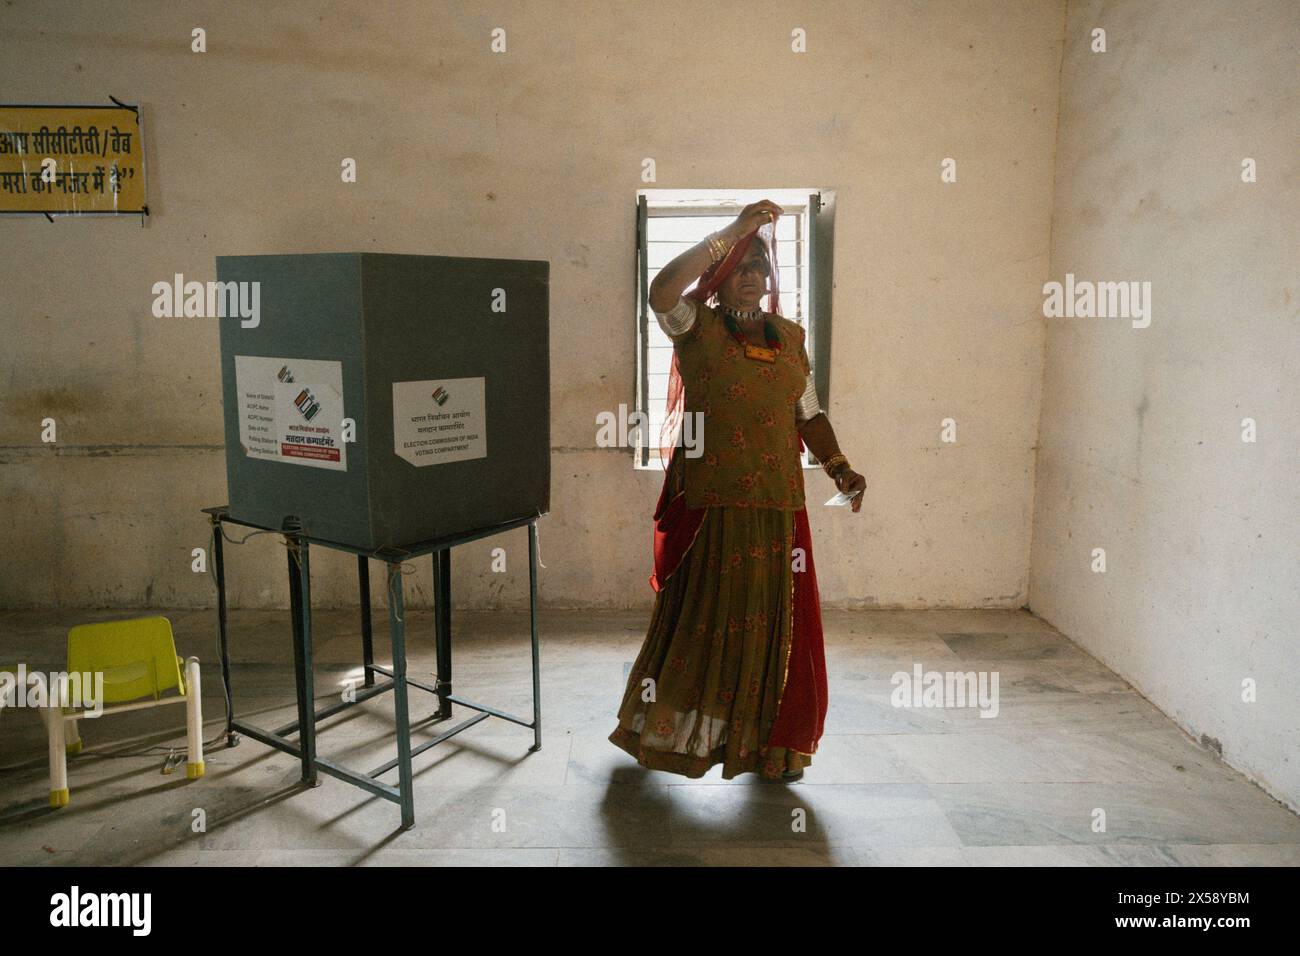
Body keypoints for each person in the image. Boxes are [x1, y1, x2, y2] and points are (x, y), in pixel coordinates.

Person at [608, 200, 865, 780]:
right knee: (702, 623)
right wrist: (735, 231)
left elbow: (809, 414)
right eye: (740, 265)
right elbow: (660, 290)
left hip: (778, 507)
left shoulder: (790, 337)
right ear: (722, 274)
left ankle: (770, 748)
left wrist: (839, 467)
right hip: (711, 505)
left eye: (760, 266)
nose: (751, 276)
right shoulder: (695, 325)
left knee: (774, 630)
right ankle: (670, 736)